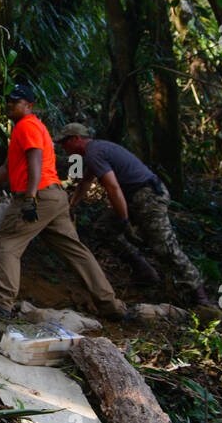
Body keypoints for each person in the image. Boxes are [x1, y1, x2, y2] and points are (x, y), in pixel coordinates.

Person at [0, 85, 129, 320]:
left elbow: (34, 162)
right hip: (54, 197)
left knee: (7, 244)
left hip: (38, 195)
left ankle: (0, 304)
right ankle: (111, 306)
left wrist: (29, 197)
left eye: (16, 101)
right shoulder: (28, 128)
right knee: (75, 251)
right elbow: (7, 169)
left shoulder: (26, 125)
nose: (9, 104)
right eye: (8, 100)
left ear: (29, 106)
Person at [57, 123, 210, 305]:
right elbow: (86, 181)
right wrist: (71, 204)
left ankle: (198, 295)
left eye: (64, 142)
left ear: (76, 139)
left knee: (164, 246)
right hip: (135, 197)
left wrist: (123, 220)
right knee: (104, 228)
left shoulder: (94, 152)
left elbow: (113, 188)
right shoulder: (96, 151)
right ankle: (144, 270)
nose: (63, 147)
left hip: (147, 196)